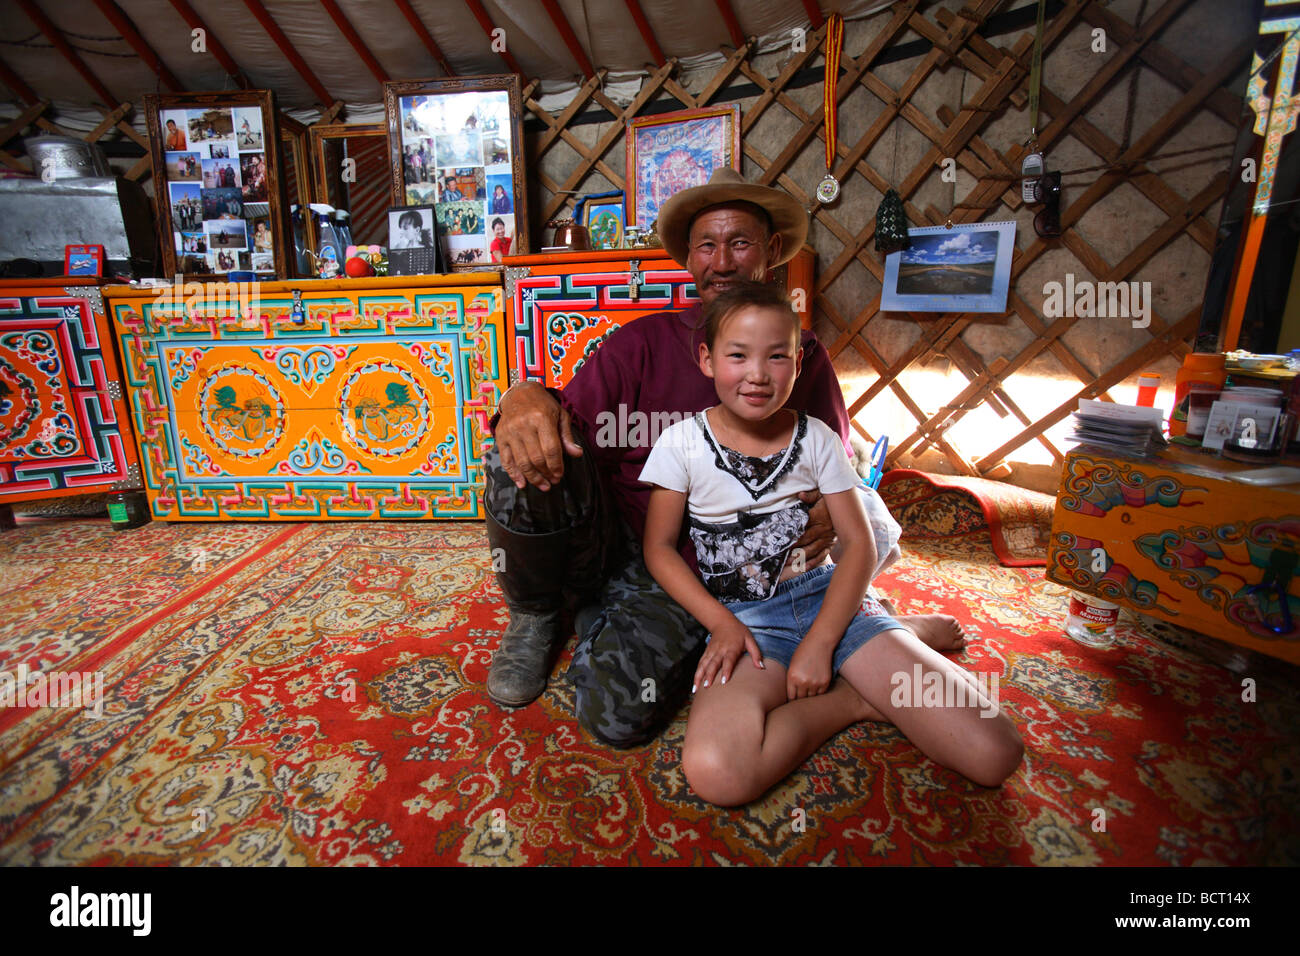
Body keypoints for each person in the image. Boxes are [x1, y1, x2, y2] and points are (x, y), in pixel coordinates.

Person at [483, 167, 964, 747]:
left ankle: (614, 618)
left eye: (740, 243)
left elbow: (838, 468)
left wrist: (826, 509)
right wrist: (520, 396)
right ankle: (537, 615)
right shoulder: (640, 343)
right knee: (518, 454)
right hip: (631, 547)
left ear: (772, 252)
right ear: (688, 259)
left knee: (618, 714)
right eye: (707, 245)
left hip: (739, 569)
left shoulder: (801, 356)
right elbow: (558, 418)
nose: (723, 261)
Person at [640, 282, 1023, 804]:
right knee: (717, 772)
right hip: (748, 623)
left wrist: (822, 644)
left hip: (834, 605)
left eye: (777, 356)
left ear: (798, 363)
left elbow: (859, 546)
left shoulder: (816, 438)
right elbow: (658, 548)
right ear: (707, 360)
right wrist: (721, 625)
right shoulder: (680, 443)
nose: (757, 374)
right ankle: (856, 700)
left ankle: (884, 635)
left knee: (994, 752)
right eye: (738, 355)